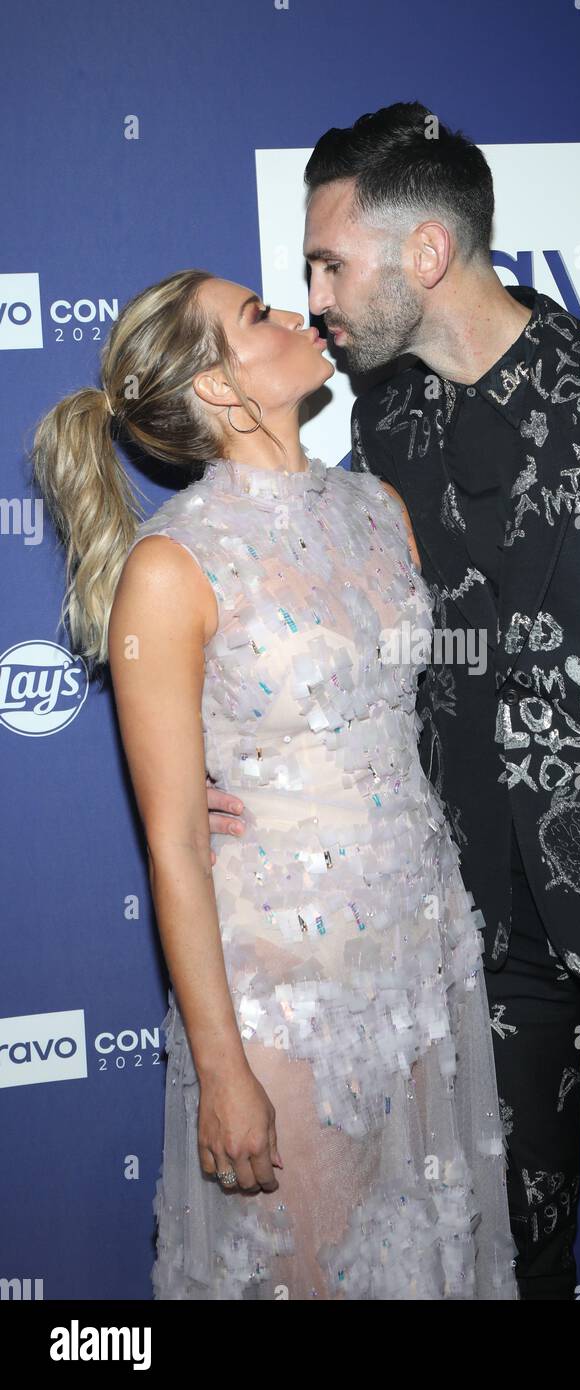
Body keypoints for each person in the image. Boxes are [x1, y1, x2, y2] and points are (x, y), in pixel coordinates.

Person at [206, 102, 580, 1301]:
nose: (315, 292)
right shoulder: (384, 422)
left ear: (423, 254)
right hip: (476, 932)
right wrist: (243, 771)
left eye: (329, 261)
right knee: (501, 1264)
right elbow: (340, 631)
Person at [30, 267, 518, 1300]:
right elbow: (172, 843)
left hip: (420, 958)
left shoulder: (375, 503)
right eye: (258, 314)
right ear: (216, 387)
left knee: (434, 1262)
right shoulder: (170, 567)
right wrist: (221, 1069)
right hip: (286, 998)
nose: (297, 314)